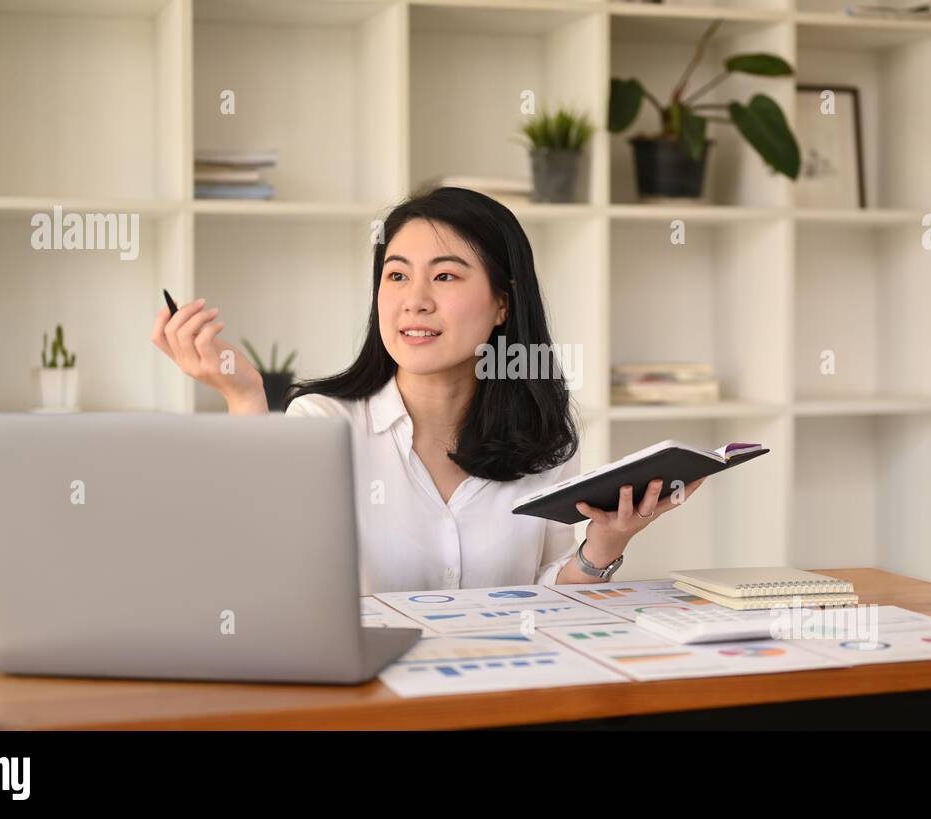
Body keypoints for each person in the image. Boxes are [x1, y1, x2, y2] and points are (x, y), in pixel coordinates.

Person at [150, 186, 703, 593]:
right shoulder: (324, 422)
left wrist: (606, 543)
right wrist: (245, 399)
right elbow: (261, 573)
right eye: (396, 275)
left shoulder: (544, 436)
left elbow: (550, 599)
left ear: (503, 304)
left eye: (444, 276)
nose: (414, 300)